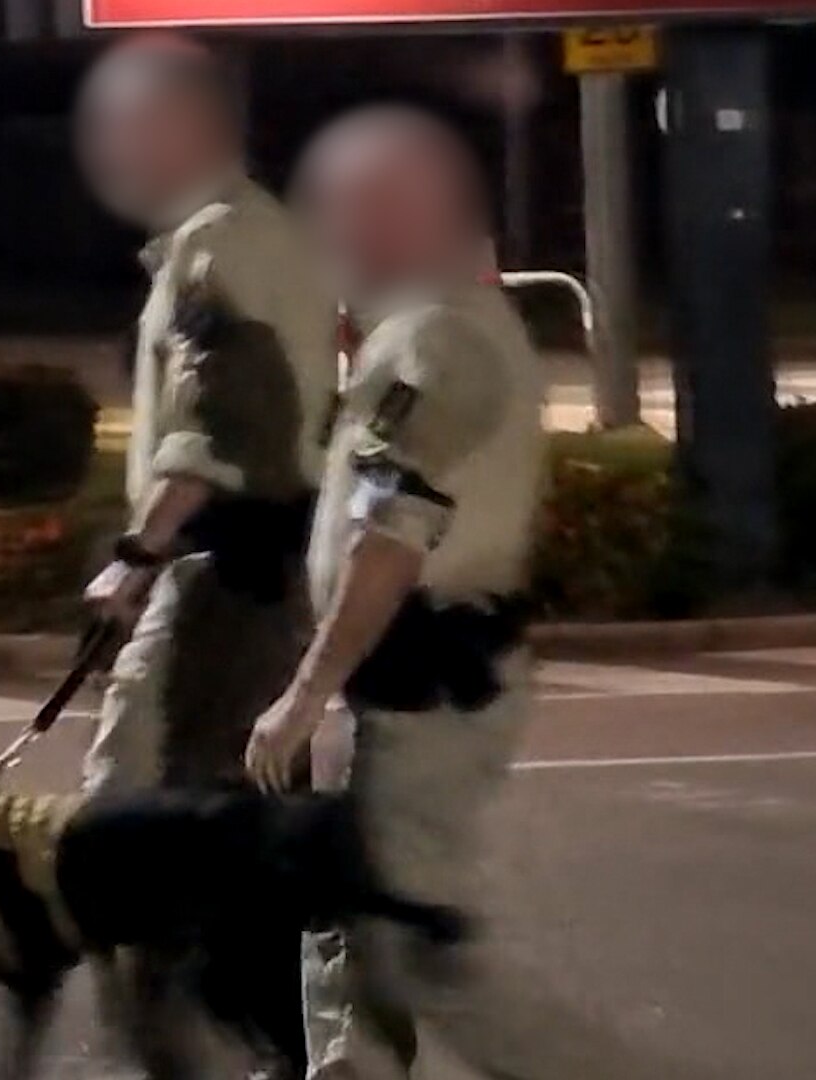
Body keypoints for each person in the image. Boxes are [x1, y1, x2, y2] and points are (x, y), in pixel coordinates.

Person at [246, 103, 635, 1080]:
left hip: (422, 677)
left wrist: (303, 694)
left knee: (418, 943)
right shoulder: (418, 332)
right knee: (348, 906)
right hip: (395, 673)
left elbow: (394, 535)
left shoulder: (440, 345)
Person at [73, 34, 337, 1075]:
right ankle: (259, 1037)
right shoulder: (251, 234)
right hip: (248, 564)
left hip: (229, 568)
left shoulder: (220, 247)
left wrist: (138, 551)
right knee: (212, 812)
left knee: (163, 816)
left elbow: (225, 419)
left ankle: (233, 1039)